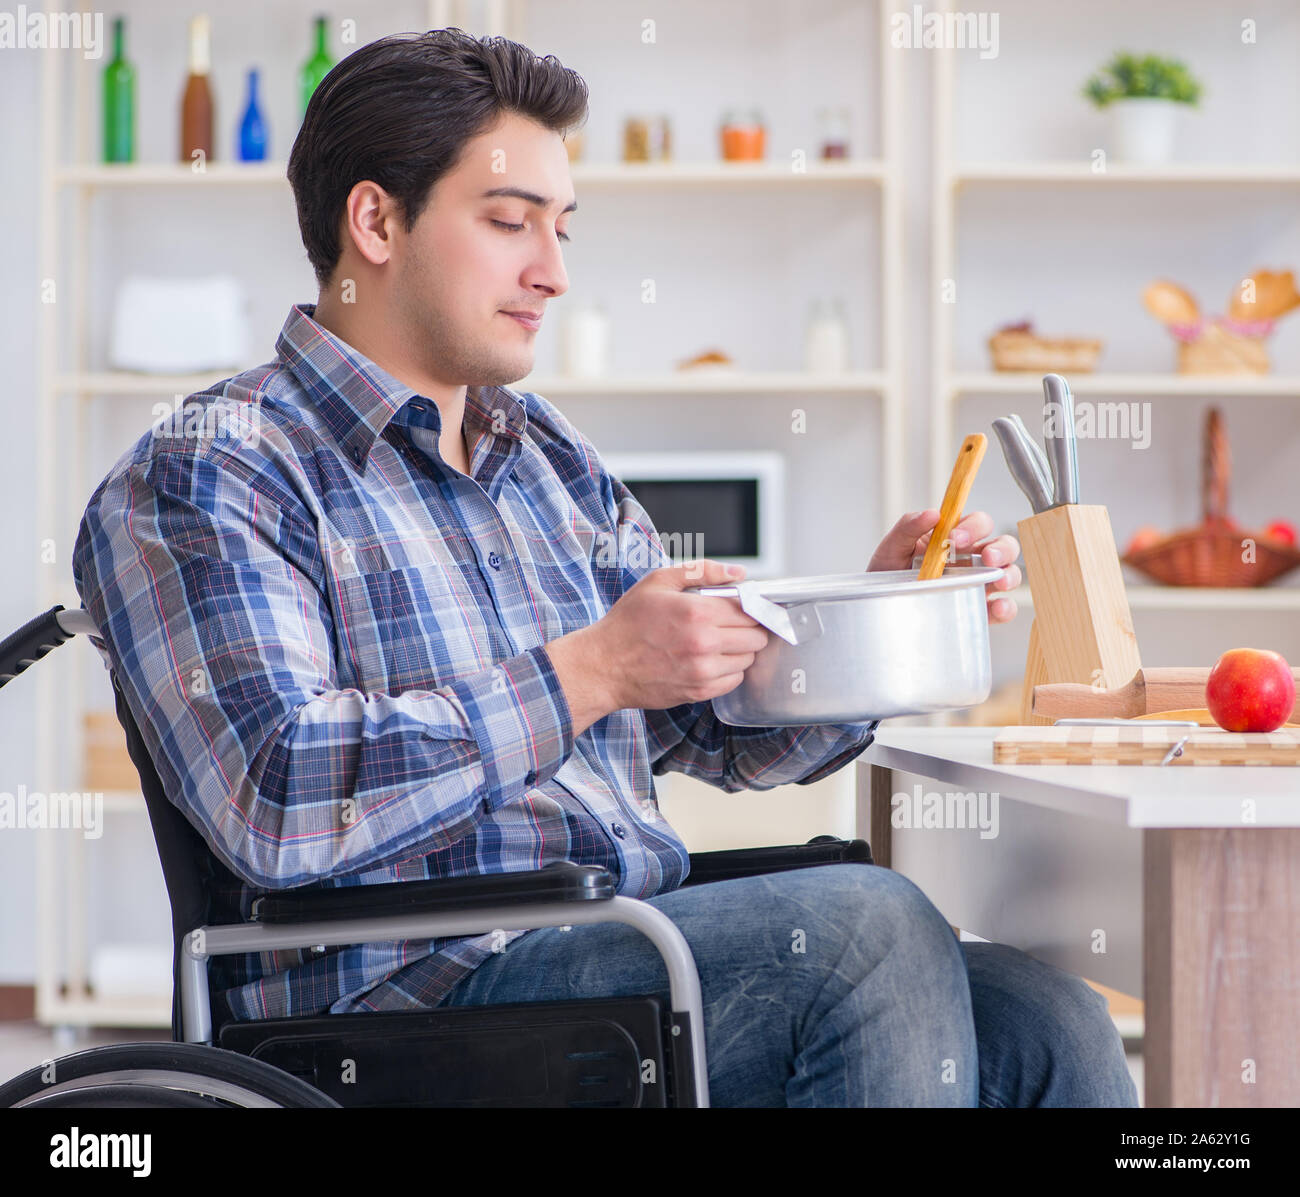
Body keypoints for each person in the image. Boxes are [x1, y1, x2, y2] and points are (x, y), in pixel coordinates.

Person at [72, 28, 1136, 1108]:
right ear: (375, 221)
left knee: (1047, 1022)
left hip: (613, 945)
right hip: (397, 1007)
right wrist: (589, 672)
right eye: (508, 223)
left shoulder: (540, 457)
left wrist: (885, 615)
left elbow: (713, 726)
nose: (554, 271)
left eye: (561, 228)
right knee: (864, 936)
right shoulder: (213, 469)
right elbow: (278, 797)